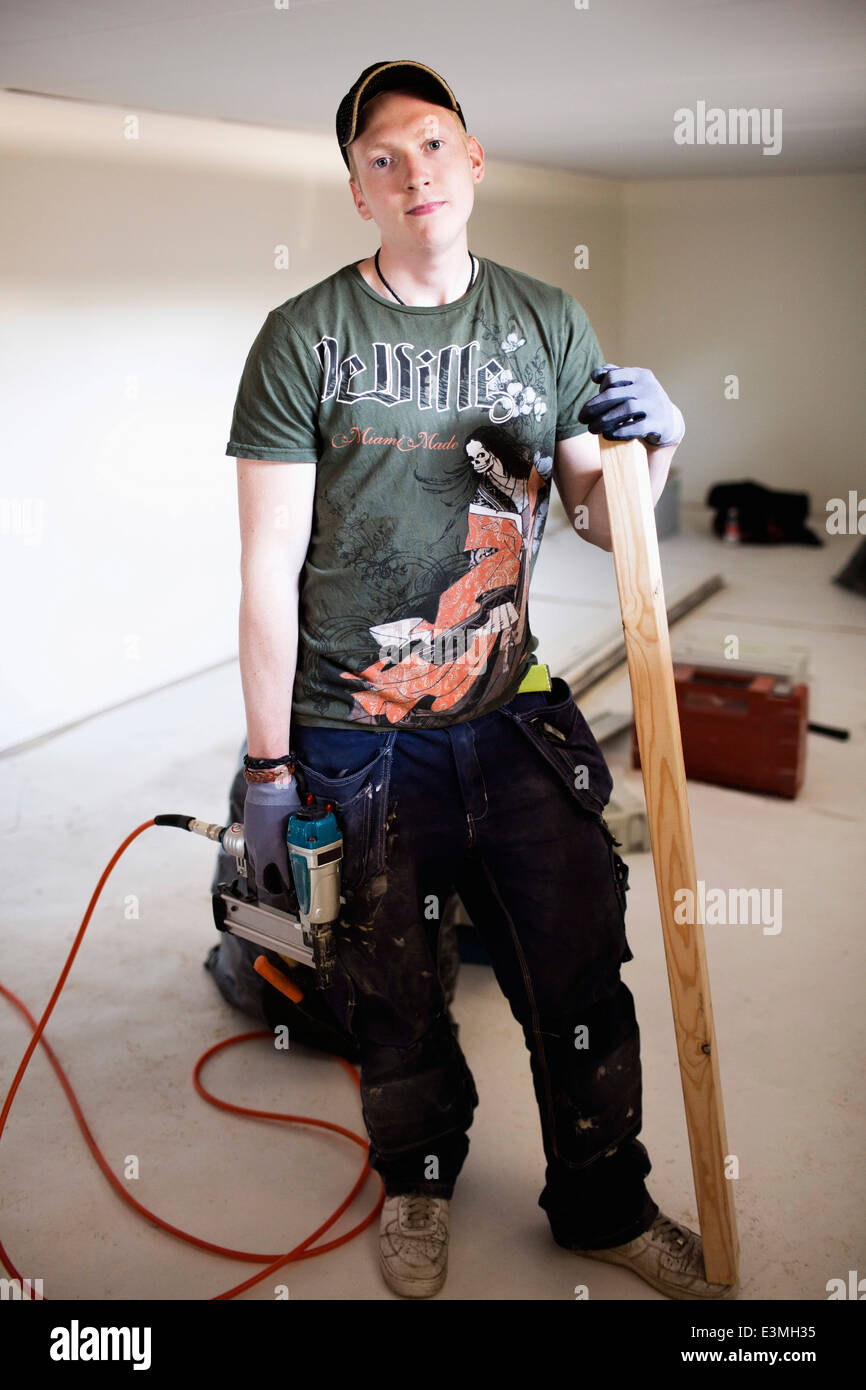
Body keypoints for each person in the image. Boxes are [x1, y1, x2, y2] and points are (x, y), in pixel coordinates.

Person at [219, 58, 735, 1302]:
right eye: (380, 158)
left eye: (431, 144)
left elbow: (605, 523)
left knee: (574, 970)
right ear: (356, 191)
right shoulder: (303, 340)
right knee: (383, 987)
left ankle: (603, 1201)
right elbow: (264, 563)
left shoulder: (546, 319)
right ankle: (418, 1177)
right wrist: (267, 765)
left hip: (509, 710)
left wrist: (656, 453)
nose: (412, 172)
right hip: (354, 730)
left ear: (473, 161)